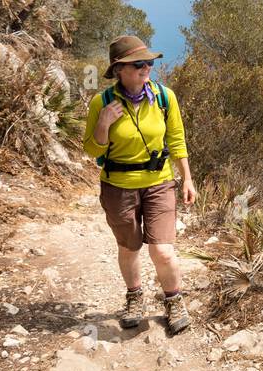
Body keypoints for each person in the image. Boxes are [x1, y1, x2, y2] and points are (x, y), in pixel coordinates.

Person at [83, 35, 198, 334]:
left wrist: (187, 177)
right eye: (138, 63)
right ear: (119, 69)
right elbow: (92, 150)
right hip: (118, 187)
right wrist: (104, 123)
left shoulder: (164, 97)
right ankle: (134, 297)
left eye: (149, 62)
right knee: (129, 247)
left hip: (159, 183)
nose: (146, 67)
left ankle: (174, 301)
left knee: (162, 251)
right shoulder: (102, 103)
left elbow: (176, 139)